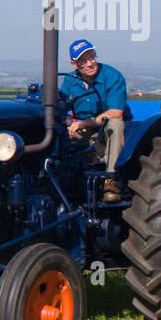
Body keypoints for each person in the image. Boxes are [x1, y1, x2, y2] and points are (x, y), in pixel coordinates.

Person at [59, 38, 129, 203]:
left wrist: (83, 123)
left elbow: (116, 113)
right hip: (83, 129)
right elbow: (62, 106)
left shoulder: (112, 76)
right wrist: (66, 119)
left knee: (115, 124)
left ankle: (112, 180)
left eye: (92, 57)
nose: (90, 63)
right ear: (74, 65)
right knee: (56, 131)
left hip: (106, 130)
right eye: (83, 61)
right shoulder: (70, 80)